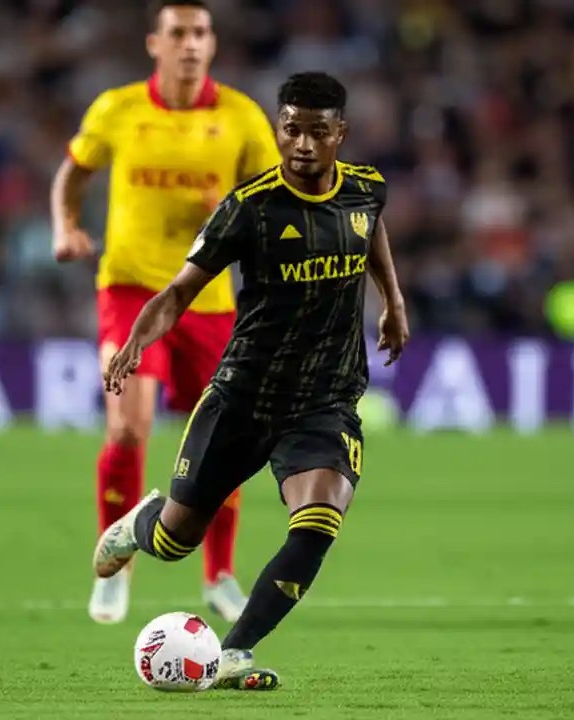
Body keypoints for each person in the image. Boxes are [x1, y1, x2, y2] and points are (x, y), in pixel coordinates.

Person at [94, 71, 409, 690]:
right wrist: (137, 338)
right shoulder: (248, 208)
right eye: (292, 129)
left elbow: (372, 234)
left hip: (325, 399)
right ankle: (136, 526)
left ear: (339, 134)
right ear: (277, 129)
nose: (304, 144)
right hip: (244, 396)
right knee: (176, 537)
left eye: (318, 132)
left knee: (318, 522)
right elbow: (180, 291)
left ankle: (233, 652)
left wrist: (392, 300)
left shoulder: (367, 189)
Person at [50, 0, 280, 625]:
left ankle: (221, 574)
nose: (189, 43)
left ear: (212, 44)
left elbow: (278, 206)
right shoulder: (118, 108)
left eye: (199, 33)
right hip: (130, 290)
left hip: (209, 301)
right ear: (155, 43)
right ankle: (115, 568)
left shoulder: (242, 118)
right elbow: (72, 173)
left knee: (228, 441)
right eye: (177, 33)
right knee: (128, 427)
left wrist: (231, 210)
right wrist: (66, 226)